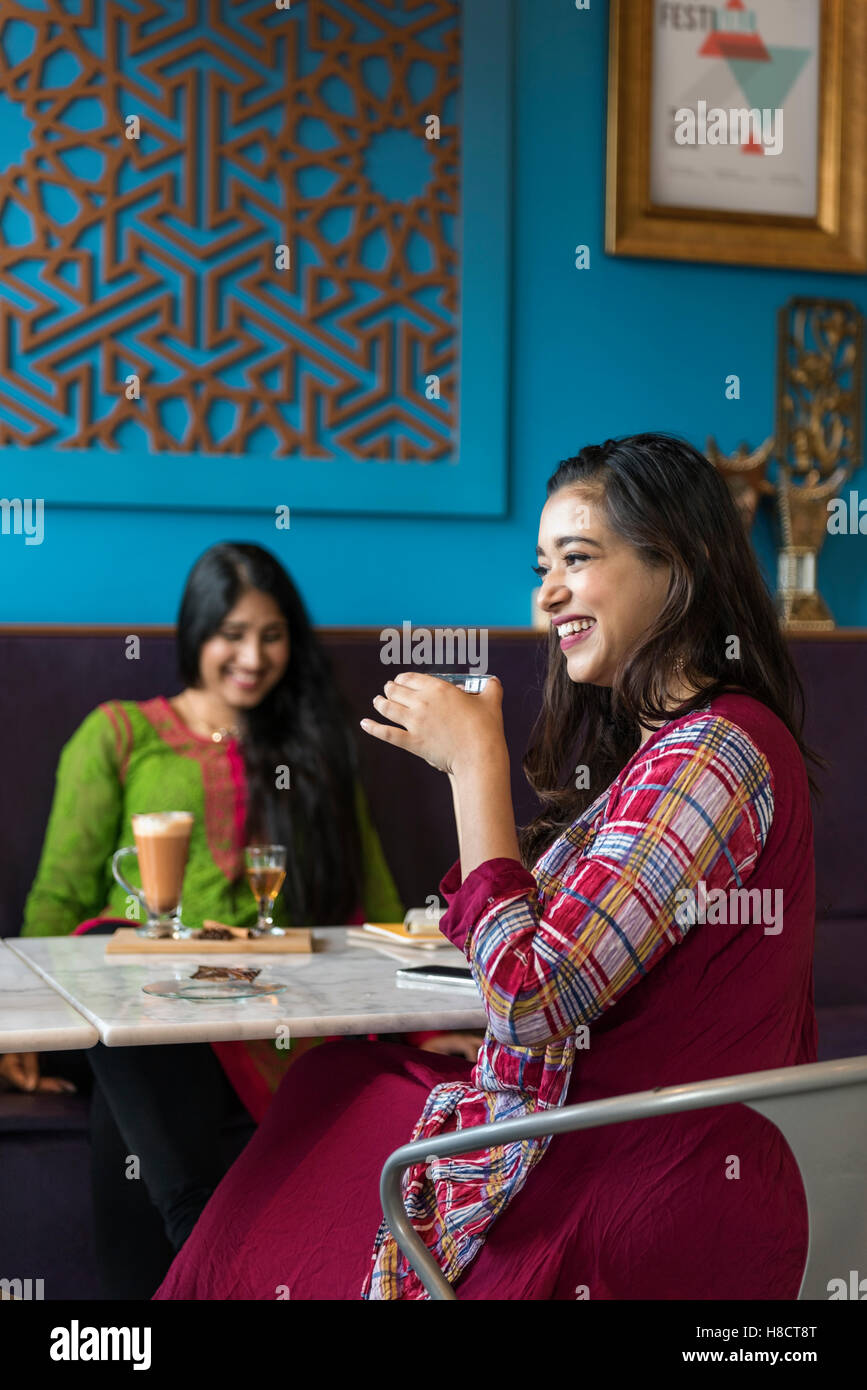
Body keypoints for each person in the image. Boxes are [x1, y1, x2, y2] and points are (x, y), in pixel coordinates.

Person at [154, 434, 823, 1301]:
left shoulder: (712, 756)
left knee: (334, 1106)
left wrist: (474, 768)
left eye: (576, 559)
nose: (547, 592)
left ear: (679, 562)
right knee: (338, 1080)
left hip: (639, 1176)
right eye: (541, 564)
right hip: (624, 1138)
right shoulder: (673, 750)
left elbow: (532, 998)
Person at [7, 542, 480, 1297]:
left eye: (271, 634)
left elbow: (373, 901)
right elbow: (54, 907)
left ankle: (190, 1278)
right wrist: (28, 1029)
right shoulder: (121, 733)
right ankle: (202, 1245)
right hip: (142, 1019)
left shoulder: (315, 751)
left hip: (276, 1019)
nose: (251, 656)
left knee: (141, 1096)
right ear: (196, 632)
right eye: (232, 632)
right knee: (111, 973)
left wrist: (422, 1019)